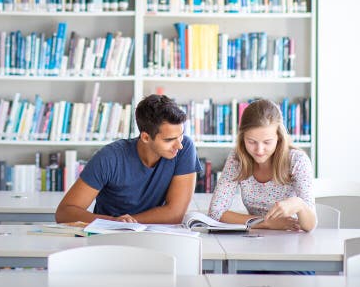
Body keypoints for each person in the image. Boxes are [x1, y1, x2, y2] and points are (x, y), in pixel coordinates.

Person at [55, 94, 200, 224]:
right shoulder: (109, 158)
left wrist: (128, 222)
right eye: (169, 140)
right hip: (108, 238)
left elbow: (175, 215)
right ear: (145, 137)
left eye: (180, 135)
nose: (179, 145)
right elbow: (64, 212)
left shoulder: (185, 148)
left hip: (155, 236)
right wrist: (114, 222)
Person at [208, 98, 316, 231]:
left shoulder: (297, 161)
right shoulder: (237, 159)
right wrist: (265, 223)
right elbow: (215, 212)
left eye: (267, 142)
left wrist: (300, 205)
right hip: (255, 236)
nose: (259, 150)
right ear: (243, 138)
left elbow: (310, 226)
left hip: (291, 237)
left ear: (279, 138)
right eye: (252, 141)